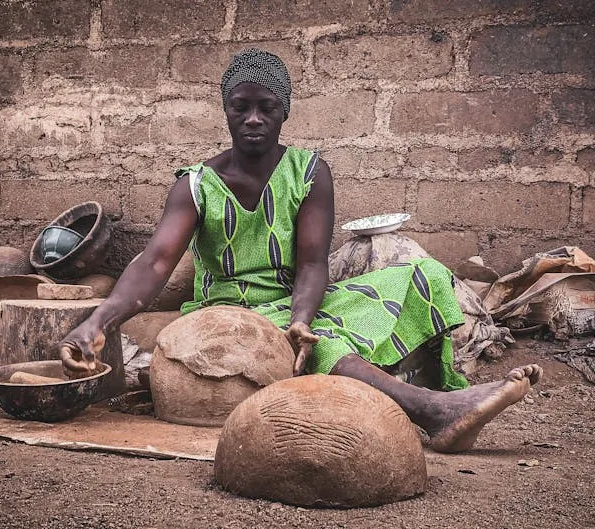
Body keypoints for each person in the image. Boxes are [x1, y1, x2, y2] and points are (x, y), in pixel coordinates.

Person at [60, 48, 541, 453]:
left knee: (421, 275)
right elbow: (155, 261)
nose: (252, 120)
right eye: (239, 107)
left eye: (266, 107)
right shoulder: (196, 185)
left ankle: (411, 381)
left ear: (284, 110)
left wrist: (302, 319)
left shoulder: (310, 173)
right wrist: (100, 321)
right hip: (229, 315)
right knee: (326, 347)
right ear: (225, 109)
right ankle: (431, 412)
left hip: (297, 302)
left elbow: (313, 263)